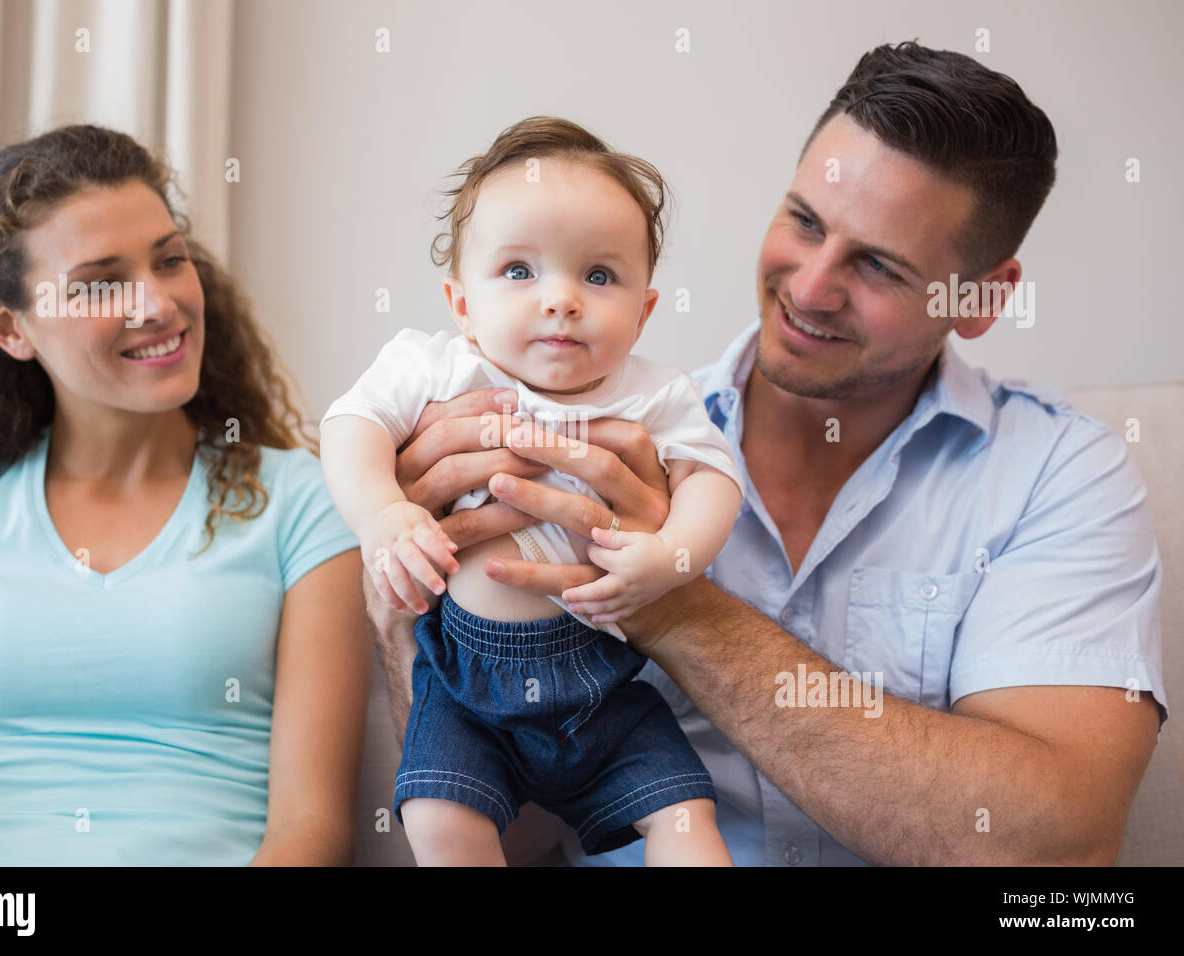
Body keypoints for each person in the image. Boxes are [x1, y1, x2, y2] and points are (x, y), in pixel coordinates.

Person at [363, 42, 1167, 866]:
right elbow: (516, 837)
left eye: (879, 265)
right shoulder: (554, 416)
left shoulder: (1059, 475)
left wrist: (672, 605)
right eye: (805, 222)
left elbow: (1049, 850)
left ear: (982, 299)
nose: (811, 288)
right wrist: (415, 610)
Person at [0, 125, 368, 865]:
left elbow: (309, 829)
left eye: (170, 260)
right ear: (8, 325)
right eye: (102, 282)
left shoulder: (301, 504)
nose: (160, 303)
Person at [321, 117, 743, 865]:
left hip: (603, 688)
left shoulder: (652, 395)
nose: (561, 299)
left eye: (599, 276)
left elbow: (714, 478)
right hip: (462, 687)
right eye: (519, 271)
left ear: (645, 309)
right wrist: (383, 512)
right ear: (460, 303)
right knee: (436, 810)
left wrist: (671, 556)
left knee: (685, 813)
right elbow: (352, 424)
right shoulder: (440, 369)